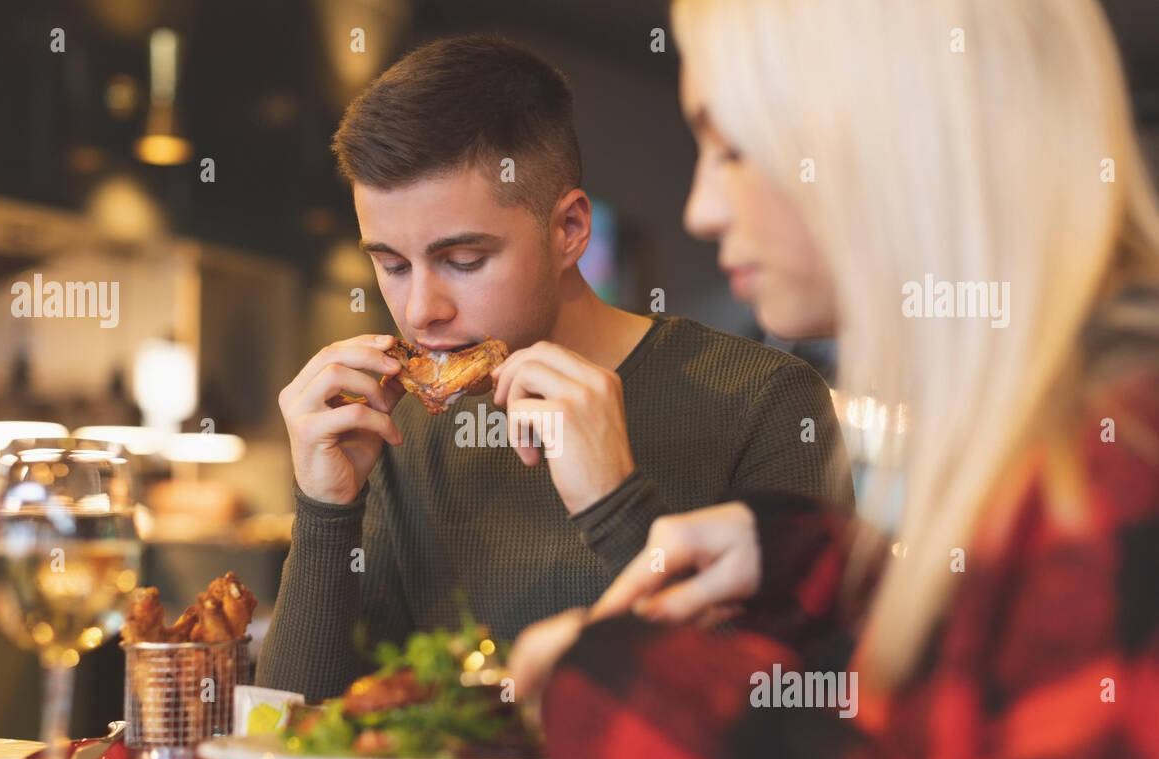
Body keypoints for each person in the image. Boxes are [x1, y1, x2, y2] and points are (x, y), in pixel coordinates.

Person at [510, 0, 1159, 759]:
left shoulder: (1118, 450)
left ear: (900, 136)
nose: (702, 207)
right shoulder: (1066, 428)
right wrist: (809, 567)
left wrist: (622, 683)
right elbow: (976, 722)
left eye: (734, 148)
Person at [256, 35, 853, 700]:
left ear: (568, 229)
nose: (421, 311)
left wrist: (618, 505)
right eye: (392, 265)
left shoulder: (765, 402)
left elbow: (809, 715)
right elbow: (291, 731)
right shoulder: (395, 430)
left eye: (464, 260)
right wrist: (324, 511)